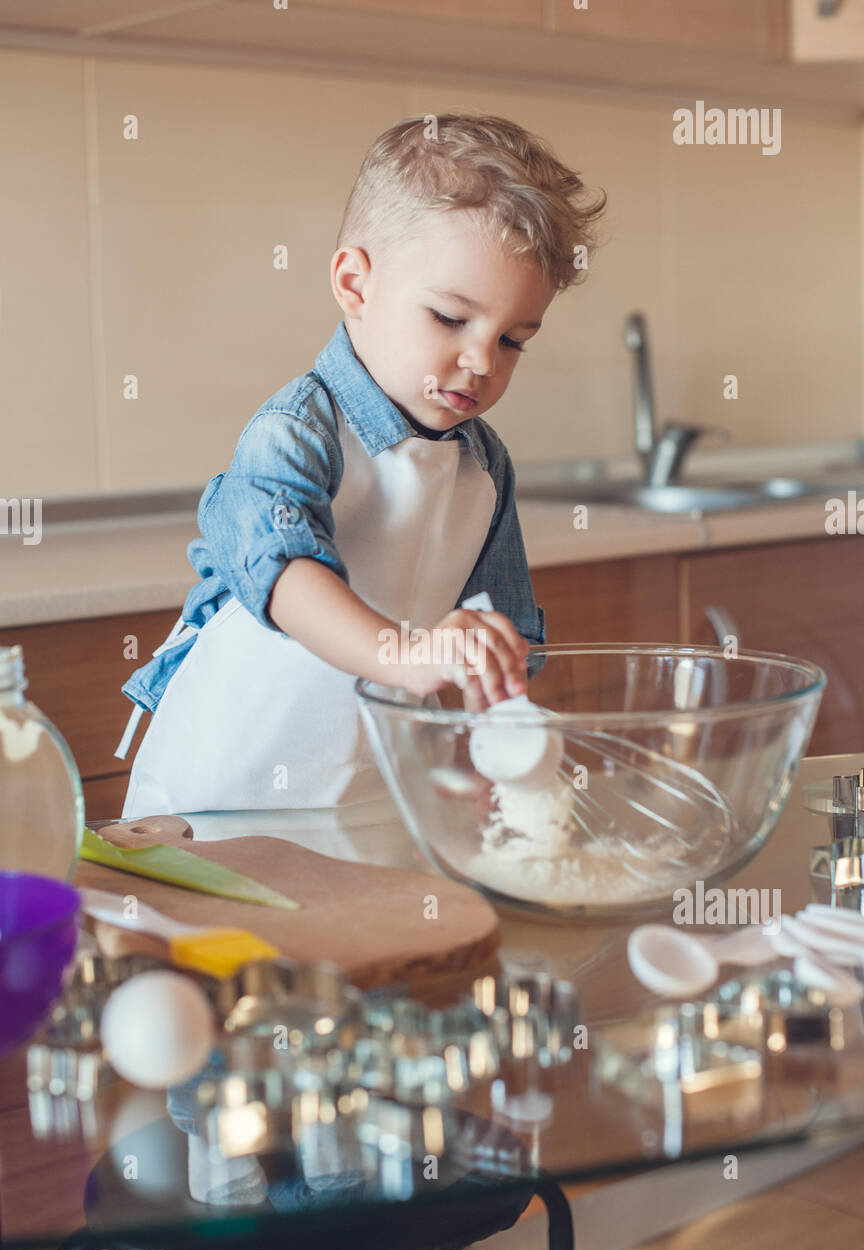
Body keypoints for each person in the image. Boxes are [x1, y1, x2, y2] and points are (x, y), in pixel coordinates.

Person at [116, 113, 605, 816]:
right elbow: (282, 574)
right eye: (449, 318)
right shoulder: (296, 430)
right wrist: (403, 656)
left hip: (373, 797)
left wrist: (496, 738)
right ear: (355, 284)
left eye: (513, 340)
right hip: (222, 792)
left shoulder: (484, 465)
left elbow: (501, 633)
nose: (482, 361)